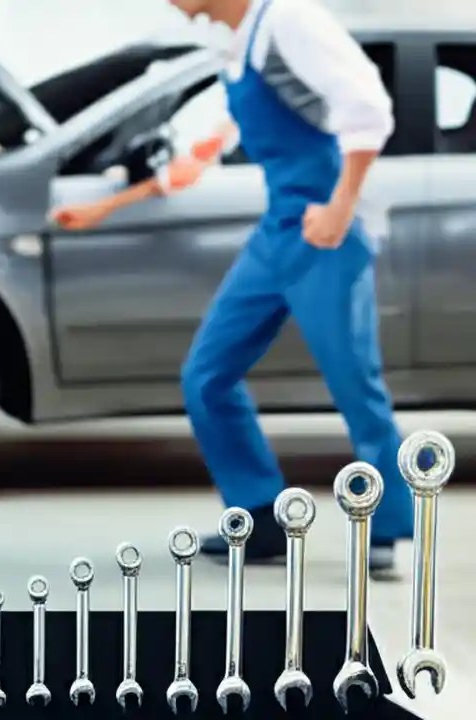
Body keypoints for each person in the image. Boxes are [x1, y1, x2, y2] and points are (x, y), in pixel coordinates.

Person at [50, 0, 409, 569]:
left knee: (354, 385)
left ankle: (388, 532)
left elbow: (367, 106)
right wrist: (104, 208)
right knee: (207, 377)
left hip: (325, 237)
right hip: (277, 236)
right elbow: (200, 157)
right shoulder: (238, 46)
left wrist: (341, 208)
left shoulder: (289, 21)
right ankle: (260, 517)